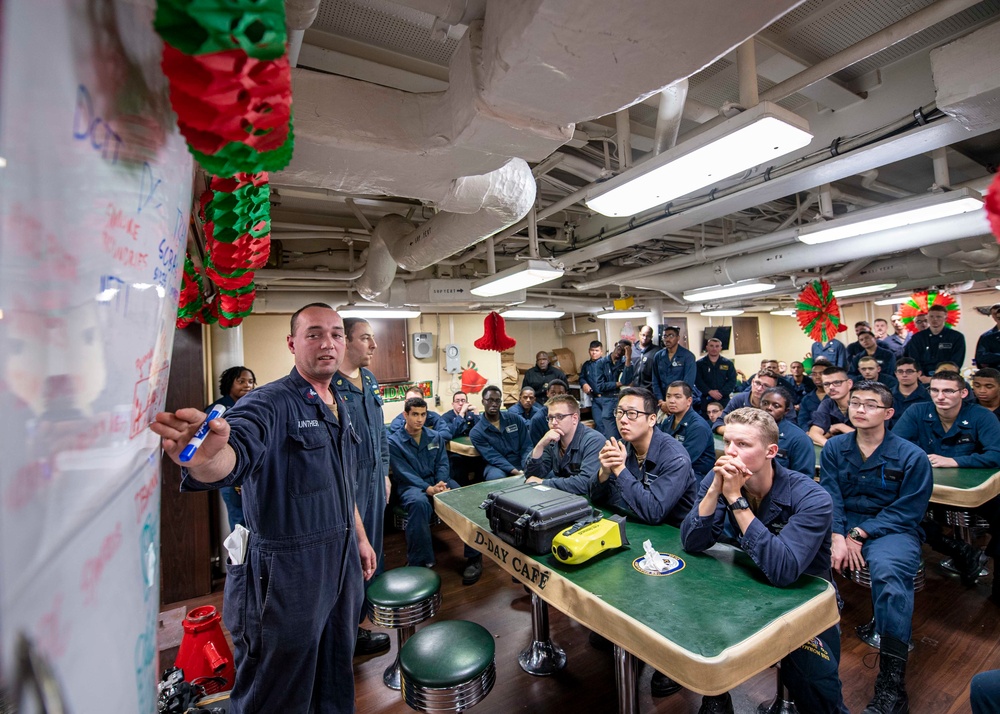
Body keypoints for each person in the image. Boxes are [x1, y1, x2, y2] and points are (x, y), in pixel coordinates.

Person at [151, 303, 376, 713]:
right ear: (292, 343)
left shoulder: (339, 403)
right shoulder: (269, 403)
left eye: (336, 333)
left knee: (334, 679)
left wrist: (360, 539)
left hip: (341, 565)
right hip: (286, 578)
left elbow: (344, 484)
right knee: (276, 692)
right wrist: (205, 457)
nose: (328, 342)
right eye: (314, 334)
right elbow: (231, 453)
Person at [682, 407, 847, 714]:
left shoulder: (812, 497)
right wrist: (714, 492)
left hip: (805, 600)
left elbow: (783, 571)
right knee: (701, 639)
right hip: (745, 590)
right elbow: (692, 542)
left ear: (771, 451)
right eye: (728, 442)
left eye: (743, 445)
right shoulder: (721, 477)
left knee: (817, 690)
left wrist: (735, 500)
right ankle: (716, 696)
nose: (730, 452)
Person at [819, 380, 932, 714]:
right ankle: (800, 656)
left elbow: (909, 510)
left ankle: (892, 685)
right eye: (855, 403)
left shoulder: (912, 456)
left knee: (891, 577)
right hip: (842, 525)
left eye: (870, 404)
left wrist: (859, 533)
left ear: (888, 413)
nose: (860, 410)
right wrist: (838, 536)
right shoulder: (835, 447)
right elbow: (830, 496)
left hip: (890, 528)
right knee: (798, 556)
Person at [592, 386, 697, 699]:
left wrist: (620, 470)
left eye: (633, 413)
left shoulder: (674, 456)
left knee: (668, 604)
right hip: (638, 532)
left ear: (653, 418)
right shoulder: (622, 446)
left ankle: (674, 659)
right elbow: (599, 497)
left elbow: (653, 511)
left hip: (678, 540)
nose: (624, 420)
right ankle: (629, 638)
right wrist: (602, 472)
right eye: (620, 413)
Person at [892, 370, 1000, 584]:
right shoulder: (917, 411)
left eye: (948, 391)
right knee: (890, 506)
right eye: (935, 390)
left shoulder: (981, 416)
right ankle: (958, 550)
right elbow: (894, 446)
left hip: (974, 489)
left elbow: (997, 453)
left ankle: (992, 565)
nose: (940, 396)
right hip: (925, 487)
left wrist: (956, 461)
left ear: (963, 393)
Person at [334, 318, 391, 656]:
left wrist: (384, 472)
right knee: (351, 555)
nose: (373, 345)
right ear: (347, 341)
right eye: (366, 338)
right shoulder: (331, 385)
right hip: (349, 482)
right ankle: (347, 633)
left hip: (373, 479)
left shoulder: (369, 379)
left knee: (374, 552)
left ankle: (362, 619)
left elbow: (379, 431)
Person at [389, 396, 483, 584]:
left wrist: (439, 483)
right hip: (412, 486)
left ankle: (474, 557)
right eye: (415, 414)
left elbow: (442, 463)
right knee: (418, 503)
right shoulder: (394, 442)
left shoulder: (435, 437)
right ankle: (421, 562)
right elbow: (403, 472)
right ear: (405, 414)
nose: (419, 419)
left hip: (438, 481)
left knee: (464, 498)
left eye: (423, 414)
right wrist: (427, 488)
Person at [207, 365, 256, 532]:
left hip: (252, 471)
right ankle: (240, 559)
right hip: (230, 471)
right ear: (229, 384)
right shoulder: (218, 409)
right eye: (241, 381)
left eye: (250, 382)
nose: (247, 385)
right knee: (239, 524)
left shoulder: (254, 406)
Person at [524, 394, 605, 495]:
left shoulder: (594, 441)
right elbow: (532, 476)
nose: (553, 423)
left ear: (574, 418)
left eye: (559, 417)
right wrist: (540, 445)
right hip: (568, 497)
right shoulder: (553, 440)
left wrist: (544, 483)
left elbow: (586, 483)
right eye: (550, 418)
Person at [469, 385, 532, 480]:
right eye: (490, 400)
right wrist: (515, 472)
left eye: (497, 400)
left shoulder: (514, 419)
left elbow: (527, 445)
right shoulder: (476, 432)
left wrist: (526, 465)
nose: (494, 404)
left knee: (541, 469)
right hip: (497, 466)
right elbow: (493, 457)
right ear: (483, 402)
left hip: (520, 460)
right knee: (495, 477)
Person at [661, 380, 716, 478]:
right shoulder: (668, 421)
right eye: (668, 396)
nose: (671, 400)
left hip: (695, 474)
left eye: (677, 397)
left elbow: (684, 460)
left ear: (689, 401)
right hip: (671, 469)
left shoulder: (698, 427)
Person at [759, 386, 816, 477]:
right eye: (765, 403)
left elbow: (804, 478)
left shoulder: (799, 438)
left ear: (786, 411)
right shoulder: (748, 431)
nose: (769, 408)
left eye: (776, 406)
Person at [904, 303, 966, 381]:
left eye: (938, 316)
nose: (935, 319)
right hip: (922, 379)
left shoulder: (956, 337)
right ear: (927, 318)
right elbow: (914, 359)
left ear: (945, 318)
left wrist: (942, 377)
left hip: (948, 378)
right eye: (931, 316)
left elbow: (957, 361)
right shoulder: (917, 338)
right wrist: (921, 376)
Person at [712, 370, 779, 434]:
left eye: (766, 386)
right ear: (752, 382)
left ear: (773, 389)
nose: (759, 388)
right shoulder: (738, 399)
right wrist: (739, 432)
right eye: (757, 383)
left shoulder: (777, 406)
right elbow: (718, 424)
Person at [591, 340, 634, 438]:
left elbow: (626, 380)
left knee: (626, 436)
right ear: (615, 345)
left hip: (622, 400)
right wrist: (618, 383)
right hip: (608, 401)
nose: (620, 352)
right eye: (619, 348)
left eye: (623, 351)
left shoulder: (627, 363)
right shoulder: (601, 363)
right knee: (612, 437)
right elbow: (600, 386)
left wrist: (628, 358)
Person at [652, 325, 700, 409]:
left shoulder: (688, 356)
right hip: (663, 402)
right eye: (665, 336)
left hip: (681, 402)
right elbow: (655, 381)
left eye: (671, 336)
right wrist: (661, 401)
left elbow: (688, 383)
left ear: (678, 338)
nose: (667, 339)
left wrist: (673, 402)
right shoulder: (658, 356)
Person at [807, 367, 854, 447]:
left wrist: (841, 426)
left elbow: (867, 438)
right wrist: (830, 446)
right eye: (826, 384)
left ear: (849, 384)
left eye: (837, 382)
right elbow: (814, 432)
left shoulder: (862, 403)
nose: (831, 387)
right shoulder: (827, 403)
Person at [695, 337, 736, 410]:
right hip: (706, 399)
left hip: (723, 399)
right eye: (711, 346)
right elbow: (698, 381)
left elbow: (732, 380)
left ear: (720, 348)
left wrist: (721, 393)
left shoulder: (728, 363)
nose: (714, 348)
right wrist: (709, 391)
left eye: (717, 346)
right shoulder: (699, 364)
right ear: (707, 347)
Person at [888, 357, 930, 428]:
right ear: (896, 374)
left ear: (919, 374)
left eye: (909, 371)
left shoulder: (929, 397)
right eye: (900, 371)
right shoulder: (886, 396)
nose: (904, 375)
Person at [528, 378, 569, 443]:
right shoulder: (537, 419)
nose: (557, 396)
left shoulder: (570, 415)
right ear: (547, 393)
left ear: (566, 394)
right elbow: (535, 448)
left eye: (561, 393)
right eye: (553, 393)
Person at [798, 359, 830, 430]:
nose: (817, 377)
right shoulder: (807, 399)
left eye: (821, 373)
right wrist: (808, 433)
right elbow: (802, 421)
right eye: (814, 374)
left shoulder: (836, 396)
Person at [631, 325, 661, 391]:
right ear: (639, 334)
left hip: (650, 390)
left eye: (648, 336)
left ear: (651, 337)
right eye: (643, 335)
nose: (645, 338)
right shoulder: (632, 350)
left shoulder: (657, 351)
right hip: (634, 389)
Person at [579, 340, 604, 418]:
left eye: (597, 350)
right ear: (589, 351)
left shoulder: (606, 364)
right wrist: (584, 384)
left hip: (607, 399)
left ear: (601, 352)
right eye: (592, 350)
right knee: (598, 423)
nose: (594, 353)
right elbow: (581, 377)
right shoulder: (586, 365)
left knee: (608, 423)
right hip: (595, 399)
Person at [976, 303, 1000, 370]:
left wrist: (992, 356)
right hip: (995, 372)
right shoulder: (986, 337)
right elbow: (981, 358)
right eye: (994, 314)